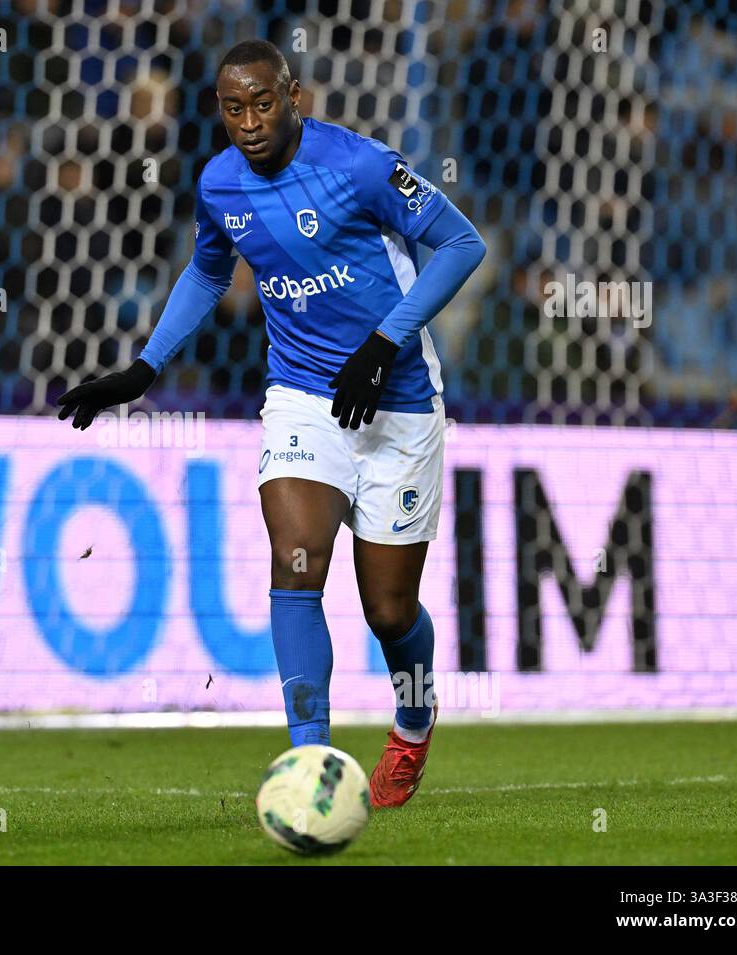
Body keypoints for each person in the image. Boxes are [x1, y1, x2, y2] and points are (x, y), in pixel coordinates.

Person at [56, 40, 486, 808]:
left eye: (262, 103)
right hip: (301, 397)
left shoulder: (358, 166)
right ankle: (311, 766)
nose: (249, 123)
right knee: (295, 565)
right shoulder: (219, 184)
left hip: (398, 399)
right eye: (232, 108)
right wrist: (145, 367)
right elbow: (210, 270)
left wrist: (385, 343)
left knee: (388, 610)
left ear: (297, 97)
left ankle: (414, 719)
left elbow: (462, 243)